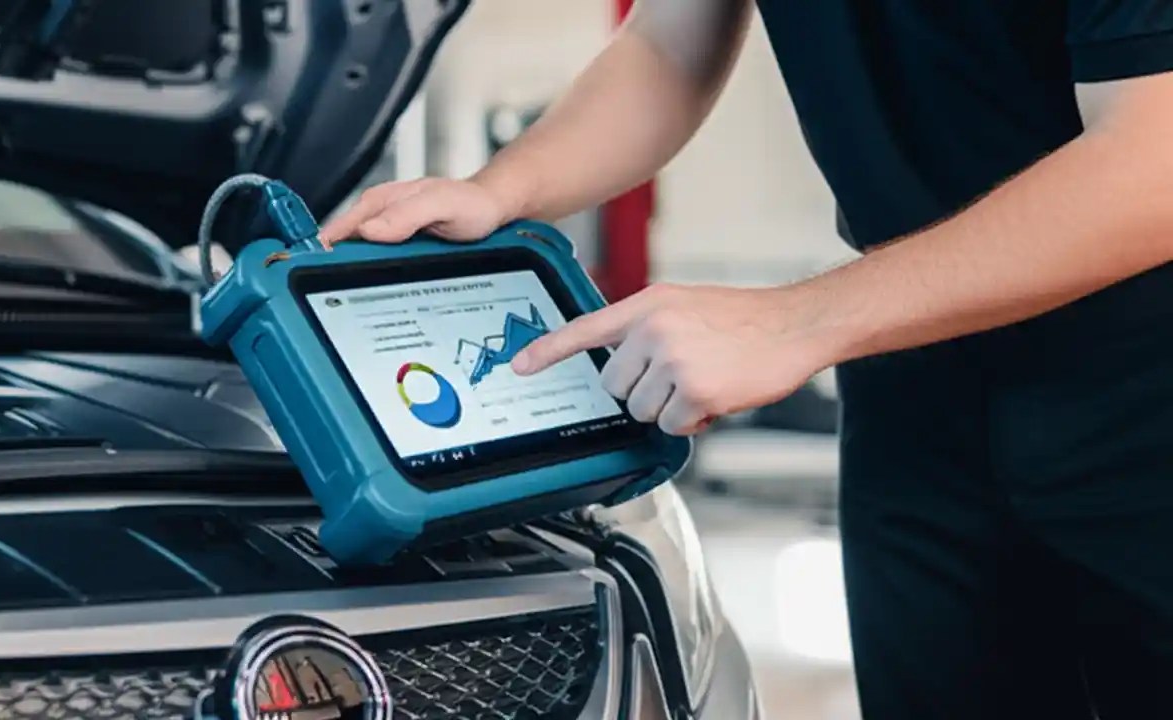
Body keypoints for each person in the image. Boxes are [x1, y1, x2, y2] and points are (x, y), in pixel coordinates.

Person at [322, 1, 1173, 717]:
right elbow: (668, 47)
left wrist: (795, 322)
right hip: (914, 382)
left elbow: (1152, 158)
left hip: (1143, 392)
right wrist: (501, 189)